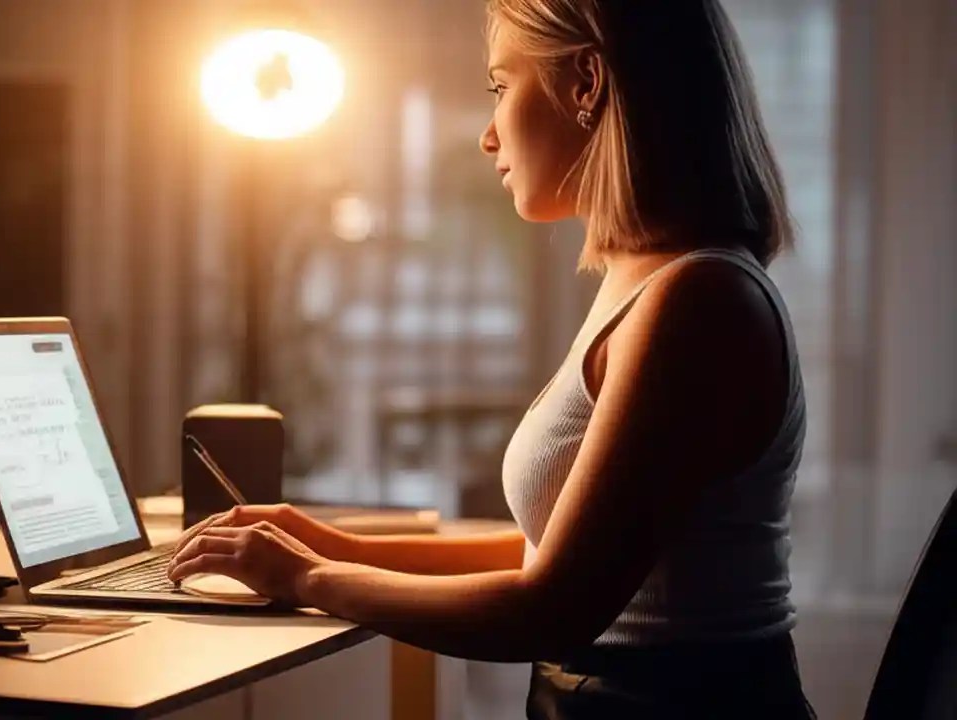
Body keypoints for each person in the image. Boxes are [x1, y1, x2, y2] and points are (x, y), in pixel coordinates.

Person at [167, 1, 817, 717]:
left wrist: (310, 579)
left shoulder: (697, 303)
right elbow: (548, 555)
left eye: (501, 88)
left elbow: (549, 609)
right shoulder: (654, 282)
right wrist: (330, 545)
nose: (486, 134)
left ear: (586, 84)